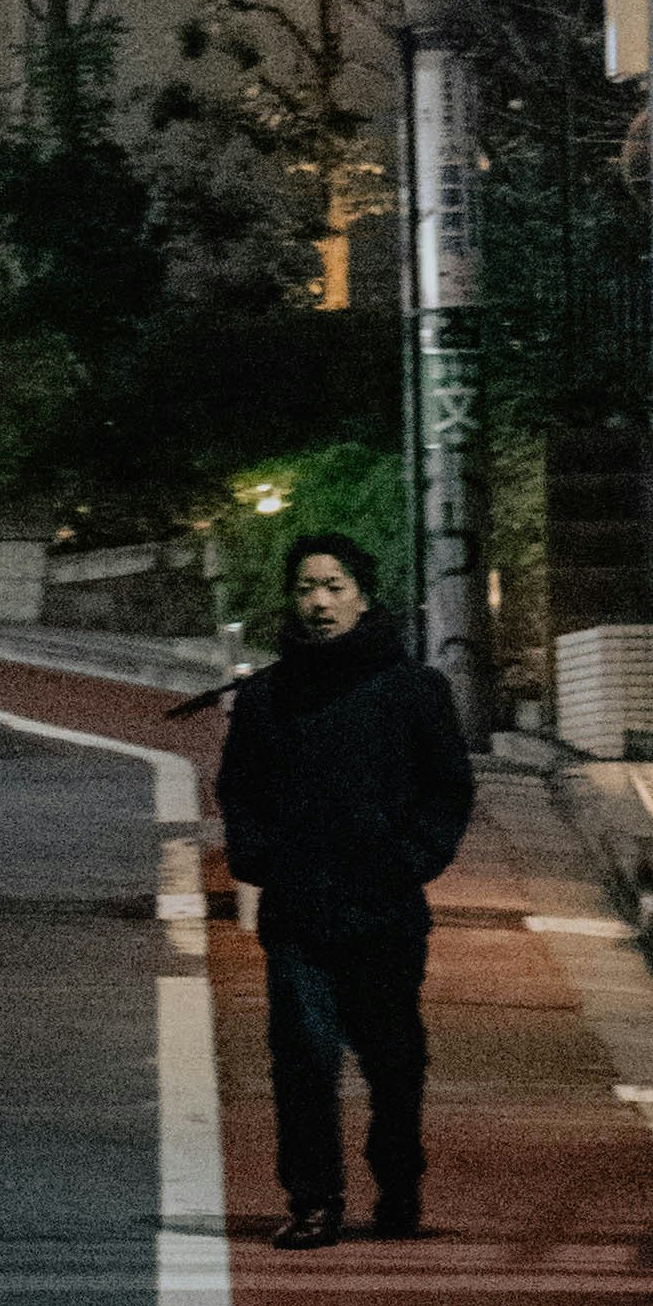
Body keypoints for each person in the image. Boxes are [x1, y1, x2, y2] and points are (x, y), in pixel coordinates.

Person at [210, 533, 472, 1246]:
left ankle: (398, 1181)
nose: (319, 602)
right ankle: (313, 1200)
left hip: (384, 910)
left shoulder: (415, 690)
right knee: (302, 1055)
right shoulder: (268, 695)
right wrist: (260, 857)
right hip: (298, 909)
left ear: (364, 594)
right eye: (305, 587)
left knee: (393, 1058)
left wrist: (412, 857)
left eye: (334, 586)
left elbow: (448, 789)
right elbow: (240, 791)